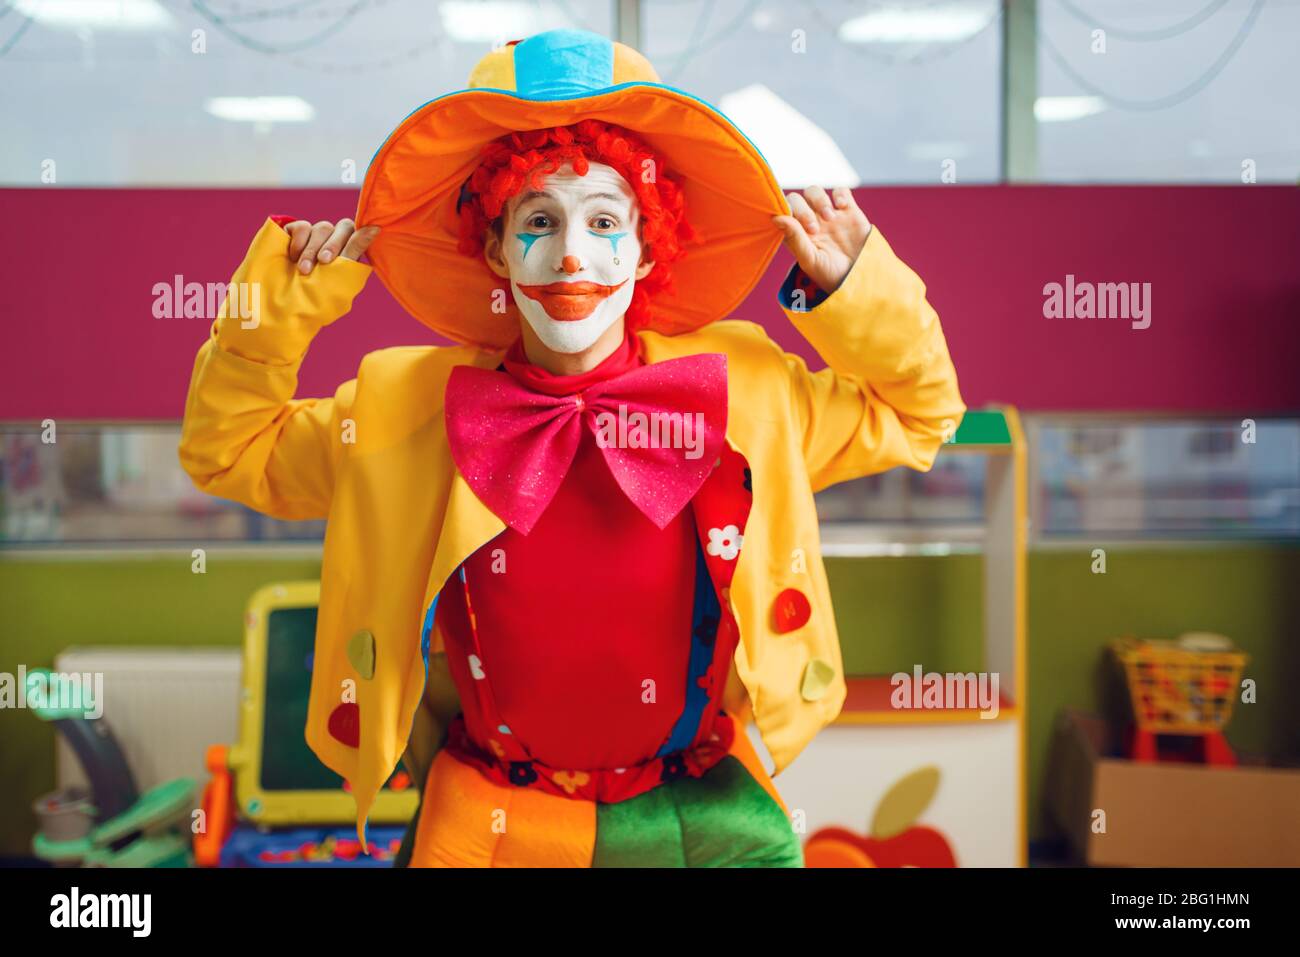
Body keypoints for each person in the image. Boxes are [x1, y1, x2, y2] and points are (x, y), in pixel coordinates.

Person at [179, 28, 965, 867]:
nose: (572, 256)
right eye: (539, 220)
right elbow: (229, 448)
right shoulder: (405, 411)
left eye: (603, 220)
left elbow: (920, 414)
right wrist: (279, 311)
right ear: (493, 247)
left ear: (650, 245)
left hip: (696, 805)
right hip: (490, 815)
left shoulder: (746, 395)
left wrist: (857, 292)